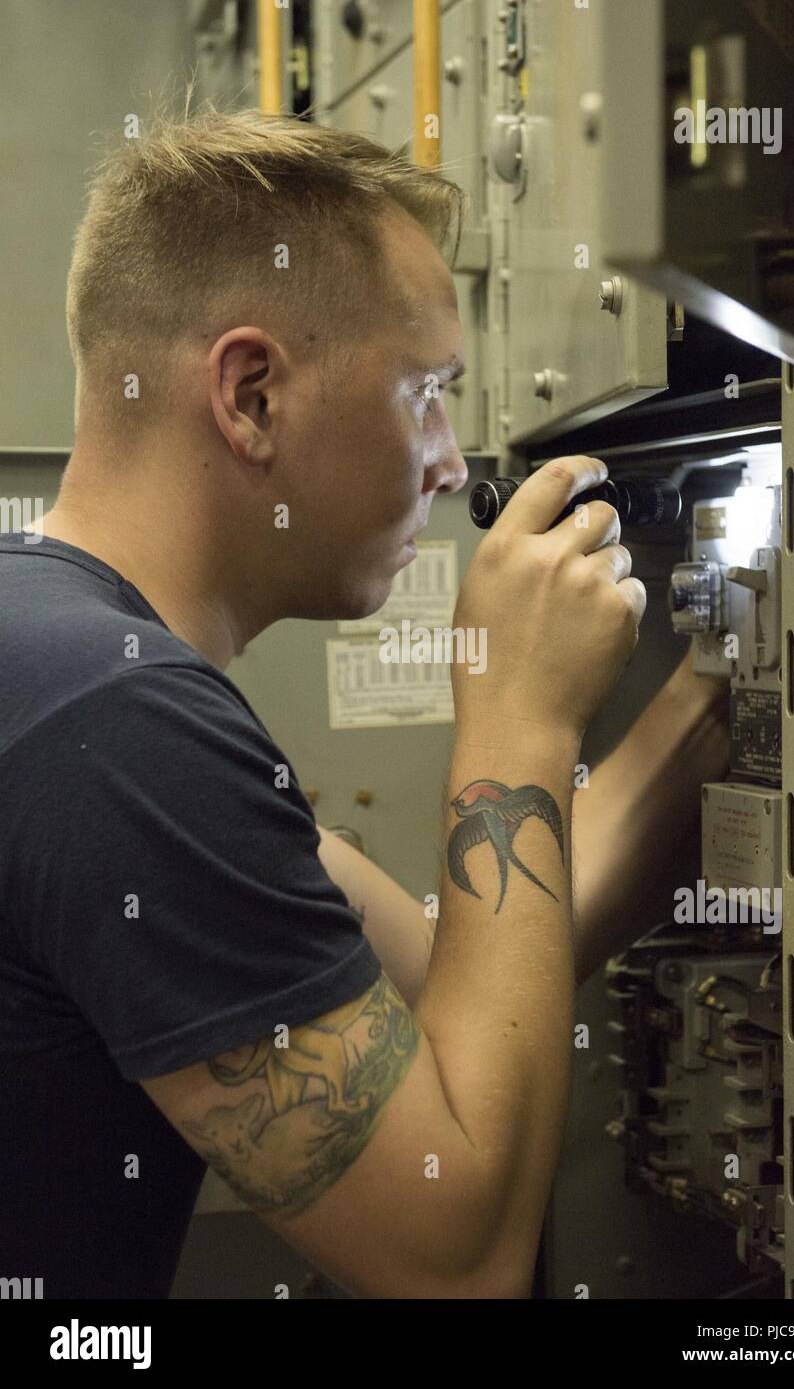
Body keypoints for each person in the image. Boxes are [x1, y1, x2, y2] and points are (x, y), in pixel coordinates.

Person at [0, 108, 727, 1299]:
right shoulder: (120, 732)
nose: (450, 460)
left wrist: (716, 702)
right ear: (252, 396)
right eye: (425, 391)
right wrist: (519, 721)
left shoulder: (66, 661)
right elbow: (460, 1258)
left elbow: (455, 980)